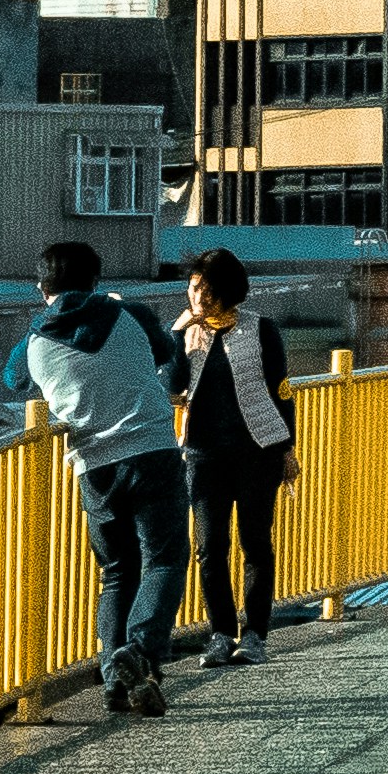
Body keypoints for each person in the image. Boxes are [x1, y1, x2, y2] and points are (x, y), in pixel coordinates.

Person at [5, 244, 190, 717]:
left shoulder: (32, 341)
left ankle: (114, 679)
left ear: (41, 288)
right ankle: (141, 649)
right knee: (166, 559)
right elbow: (167, 352)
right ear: (95, 278)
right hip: (151, 449)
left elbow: (13, 382)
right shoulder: (131, 314)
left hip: (93, 464)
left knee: (116, 573)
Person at [170, 251, 294, 672]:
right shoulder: (186, 333)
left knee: (255, 542)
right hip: (202, 454)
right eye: (192, 286)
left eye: (204, 287)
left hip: (258, 449)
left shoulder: (260, 328)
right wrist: (177, 338)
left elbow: (281, 390)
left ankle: (255, 634)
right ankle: (221, 634)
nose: (196, 294)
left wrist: (288, 448)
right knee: (209, 548)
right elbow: (173, 385)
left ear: (226, 290)